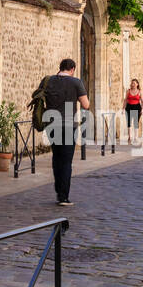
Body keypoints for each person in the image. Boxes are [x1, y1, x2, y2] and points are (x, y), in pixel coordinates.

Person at [41, 58, 90, 206]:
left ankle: (58, 191)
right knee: (66, 161)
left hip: (52, 124)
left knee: (56, 158)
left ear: (60, 67)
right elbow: (86, 104)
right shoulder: (76, 82)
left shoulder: (47, 80)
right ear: (73, 69)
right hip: (69, 125)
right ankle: (63, 196)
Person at [123, 79, 143, 144]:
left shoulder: (139, 91)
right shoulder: (128, 91)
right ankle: (129, 137)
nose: (133, 84)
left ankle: (136, 138)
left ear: (137, 84)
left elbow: (142, 101)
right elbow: (125, 100)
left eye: (134, 83)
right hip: (129, 107)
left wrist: (142, 109)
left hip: (137, 107)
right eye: (132, 83)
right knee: (129, 122)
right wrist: (123, 108)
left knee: (135, 123)